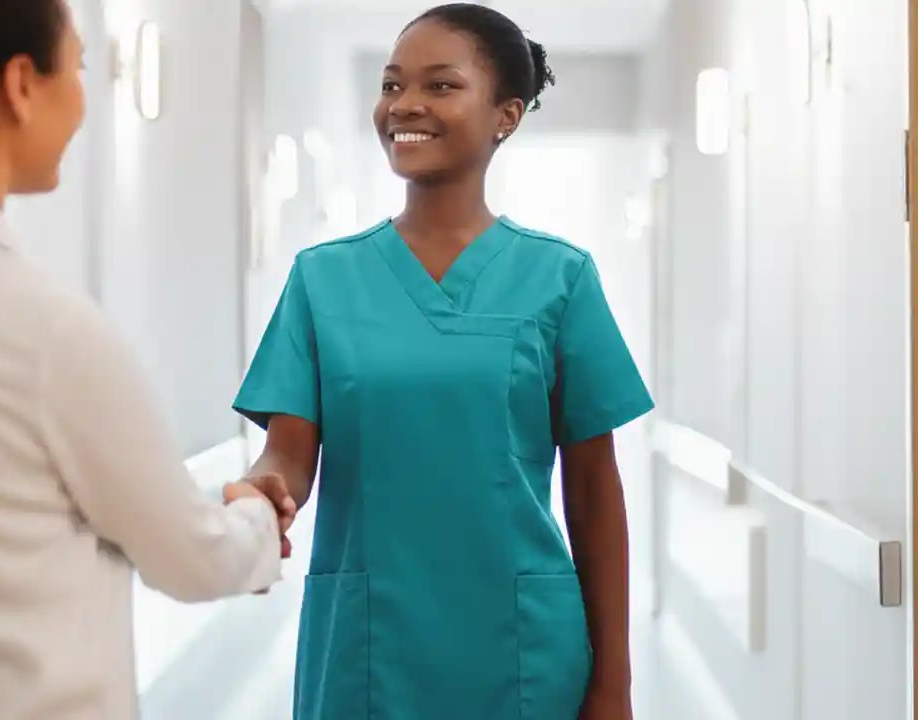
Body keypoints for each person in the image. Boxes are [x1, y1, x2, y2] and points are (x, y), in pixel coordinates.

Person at [0, 1, 295, 718]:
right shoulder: (43, 330)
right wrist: (253, 520)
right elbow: (191, 557)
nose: (83, 98)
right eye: (80, 66)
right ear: (21, 84)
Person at [234, 4, 653, 719]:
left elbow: (593, 492)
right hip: (367, 651)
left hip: (523, 651)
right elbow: (287, 457)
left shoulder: (560, 278)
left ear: (506, 115)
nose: (407, 106)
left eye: (441, 85)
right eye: (393, 85)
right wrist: (259, 496)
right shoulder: (322, 280)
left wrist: (613, 682)